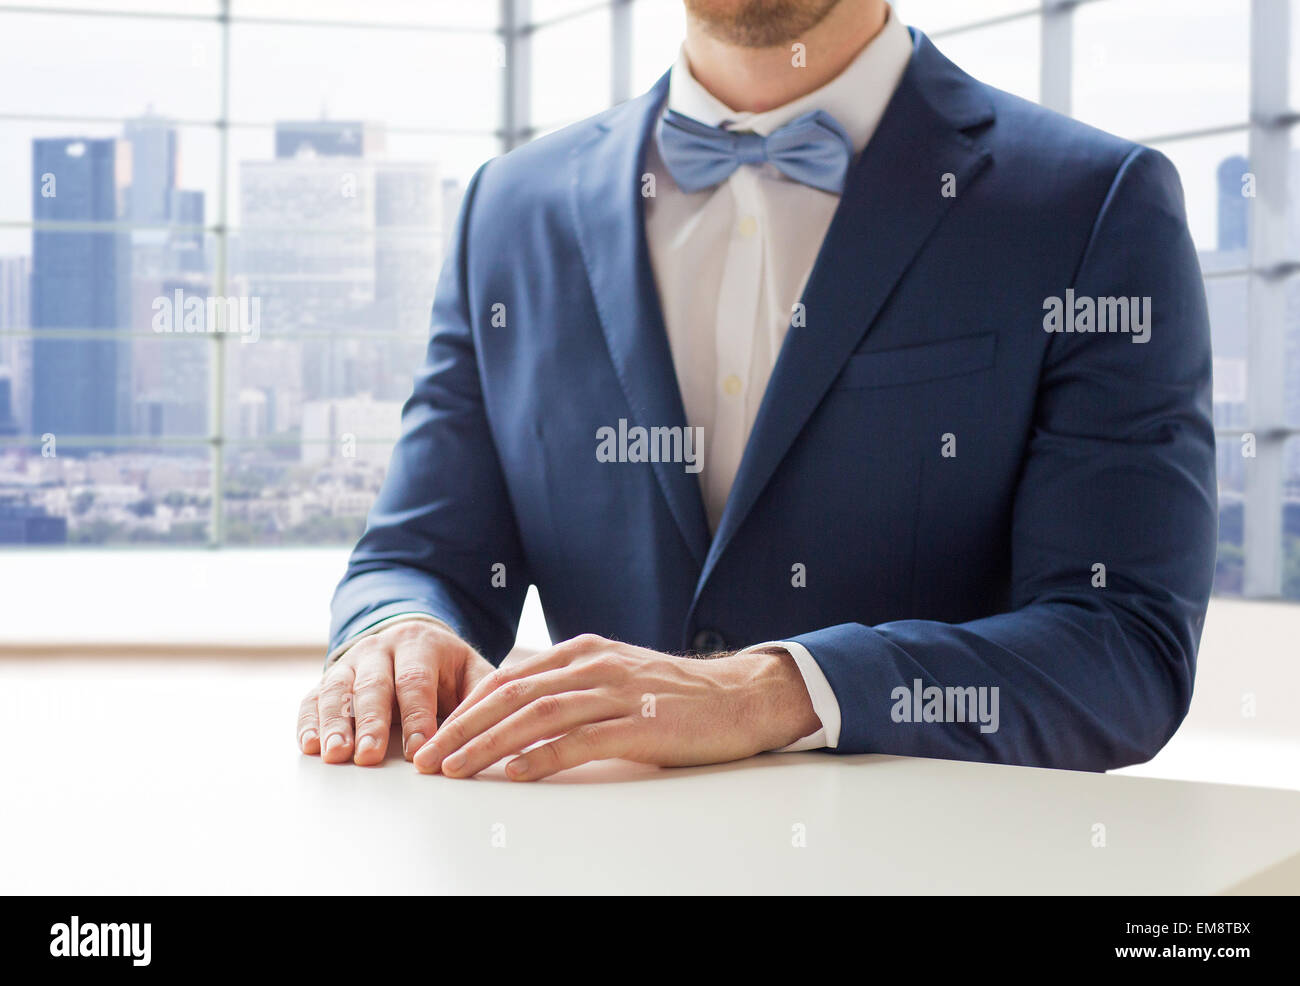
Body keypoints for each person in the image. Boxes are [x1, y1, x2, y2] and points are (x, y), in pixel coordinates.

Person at [296, 0, 1216, 781]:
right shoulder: (509, 208)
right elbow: (420, 555)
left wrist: (775, 692)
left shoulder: (1089, 207)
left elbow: (1123, 645)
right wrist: (398, 629)